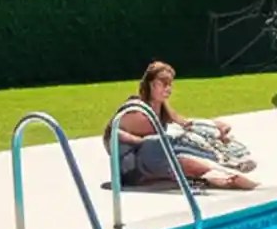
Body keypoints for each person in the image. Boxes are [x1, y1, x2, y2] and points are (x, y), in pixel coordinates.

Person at [104, 61, 258, 190]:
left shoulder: (160, 107)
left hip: (154, 158)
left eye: (169, 84)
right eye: (163, 84)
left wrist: (212, 127)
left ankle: (221, 174)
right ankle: (224, 167)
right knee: (166, 142)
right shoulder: (137, 110)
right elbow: (113, 133)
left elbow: (184, 123)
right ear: (150, 84)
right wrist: (139, 141)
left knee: (180, 142)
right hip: (131, 168)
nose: (168, 88)